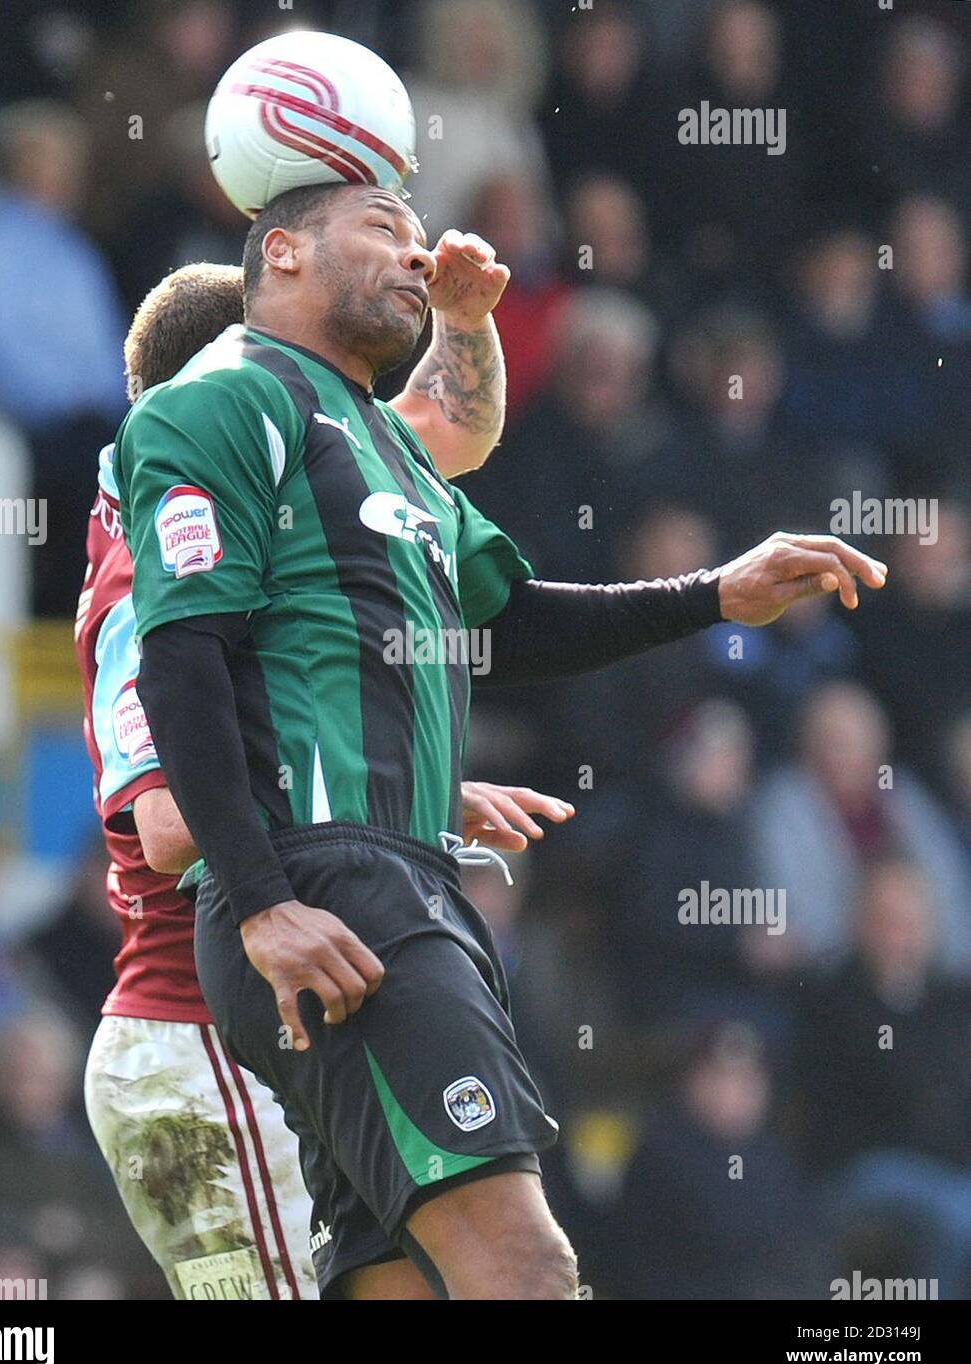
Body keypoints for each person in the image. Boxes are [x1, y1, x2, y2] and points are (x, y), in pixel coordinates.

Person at [113, 182, 886, 1300]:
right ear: (280, 252)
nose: (414, 259)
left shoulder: (385, 444)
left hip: (398, 881)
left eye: (420, 242)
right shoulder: (223, 400)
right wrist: (267, 897)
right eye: (383, 229)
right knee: (526, 1266)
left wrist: (717, 593)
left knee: (406, 1281)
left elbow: (503, 621)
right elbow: (181, 656)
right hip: (332, 888)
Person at [80, 260, 573, 1300]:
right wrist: (322, 812)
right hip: (198, 1043)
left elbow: (447, 431)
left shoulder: (264, 496)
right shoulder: (149, 565)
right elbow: (169, 822)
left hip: (277, 1024)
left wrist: (397, 784)